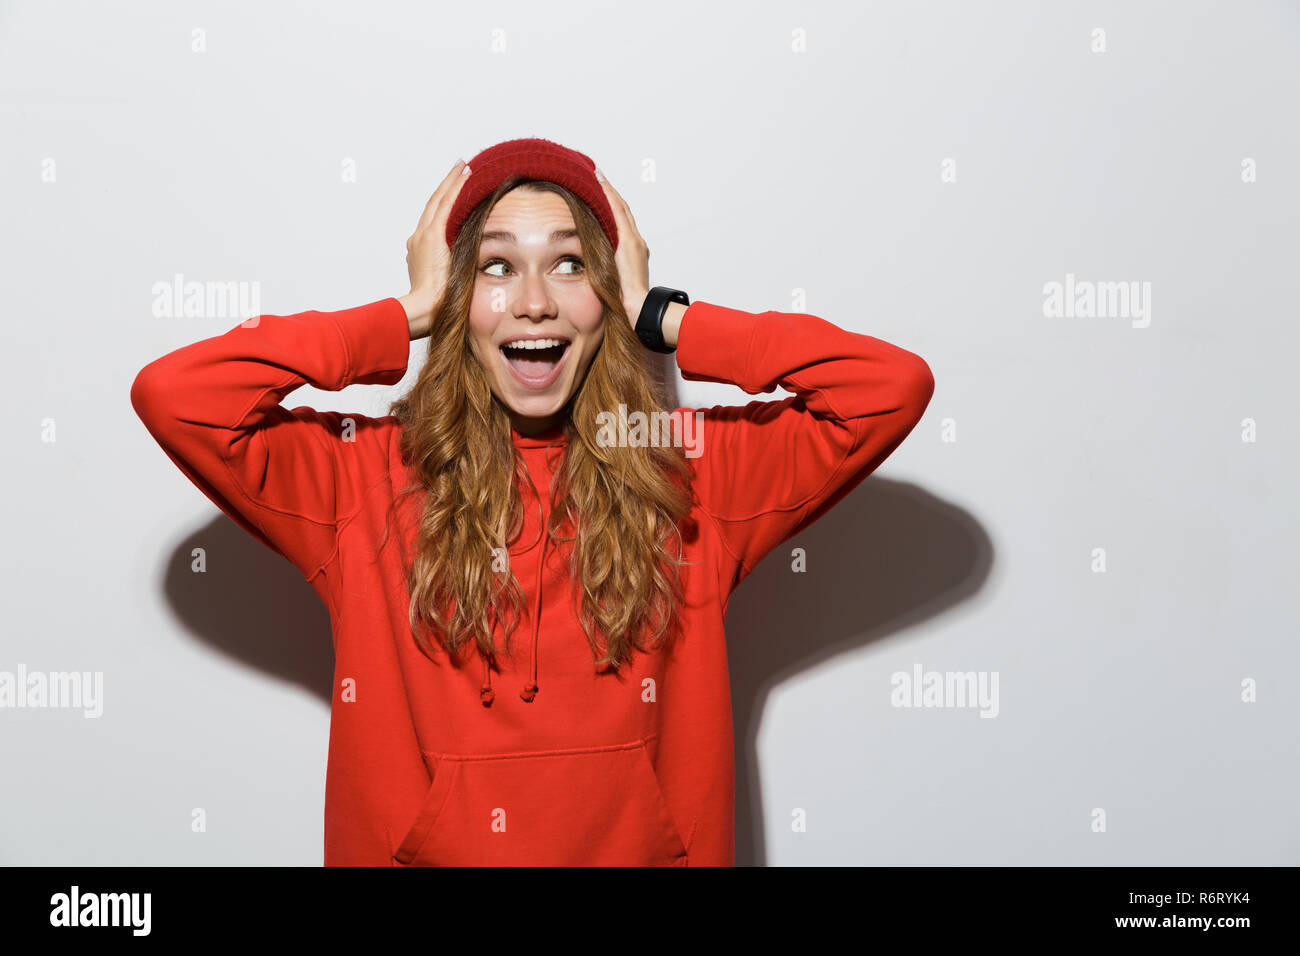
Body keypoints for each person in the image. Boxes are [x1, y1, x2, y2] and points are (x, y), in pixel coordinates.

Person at [130, 136, 936, 866]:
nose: (535, 302)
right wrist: (403, 315)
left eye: (570, 264)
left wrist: (667, 317)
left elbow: (888, 388)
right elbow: (177, 395)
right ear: (457, 299)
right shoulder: (358, 477)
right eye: (496, 267)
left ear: (607, 293)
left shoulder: (691, 469)